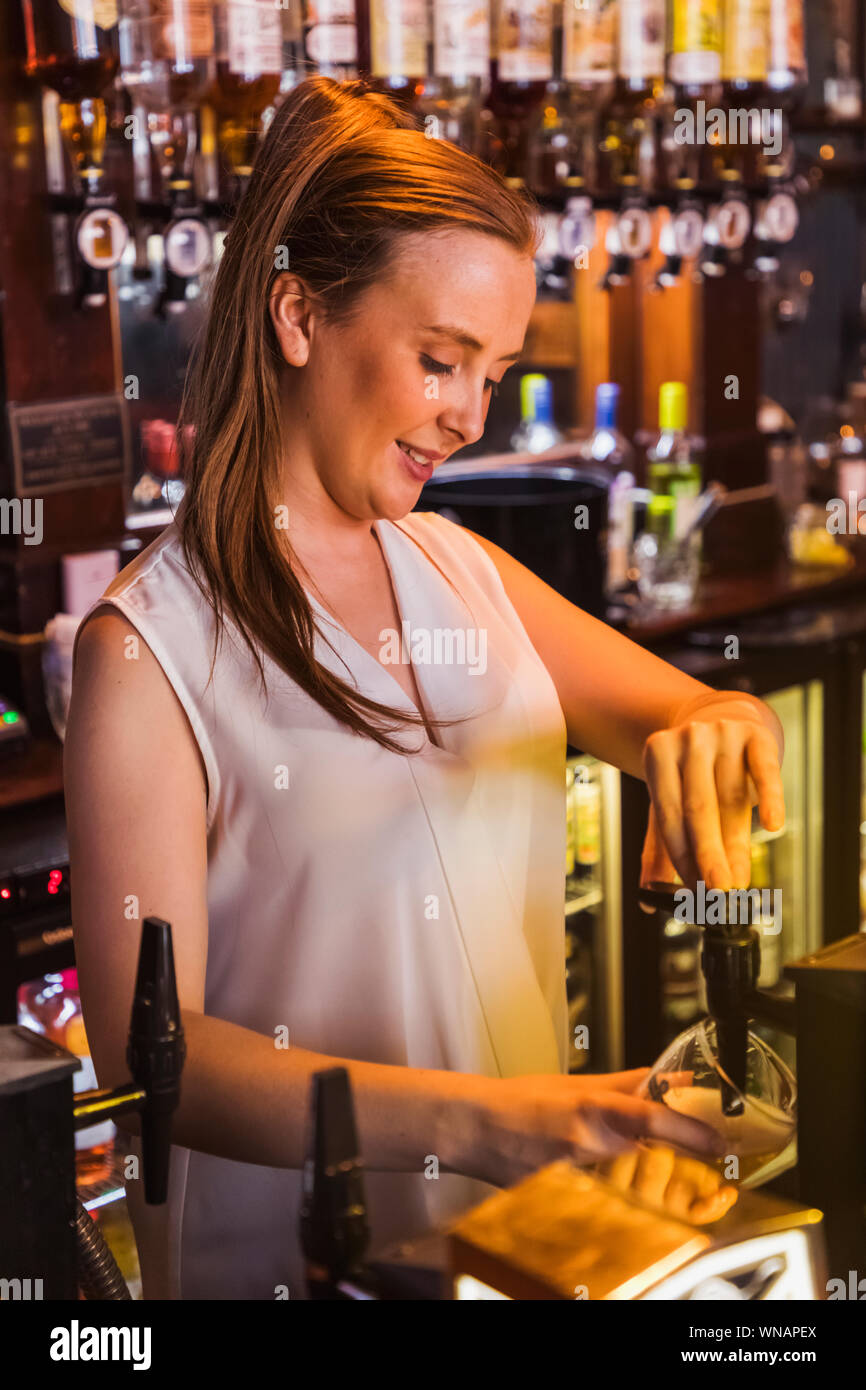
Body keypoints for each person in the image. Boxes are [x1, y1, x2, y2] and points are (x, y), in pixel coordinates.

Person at [64, 77, 785, 1300]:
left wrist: (710, 736)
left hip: (522, 1254)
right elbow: (162, 1066)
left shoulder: (465, 573)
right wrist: (507, 1124)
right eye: (439, 361)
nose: (468, 416)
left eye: (494, 372)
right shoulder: (150, 648)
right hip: (302, 1272)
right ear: (298, 313)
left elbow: (705, 709)